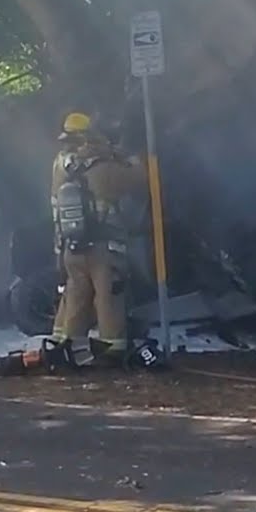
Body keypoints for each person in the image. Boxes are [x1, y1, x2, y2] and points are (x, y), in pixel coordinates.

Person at [49, 111, 147, 365]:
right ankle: (111, 349)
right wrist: (128, 156)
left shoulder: (60, 165)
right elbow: (139, 178)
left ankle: (66, 347)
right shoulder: (103, 168)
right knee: (108, 295)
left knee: (75, 295)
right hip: (103, 247)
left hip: (71, 246)